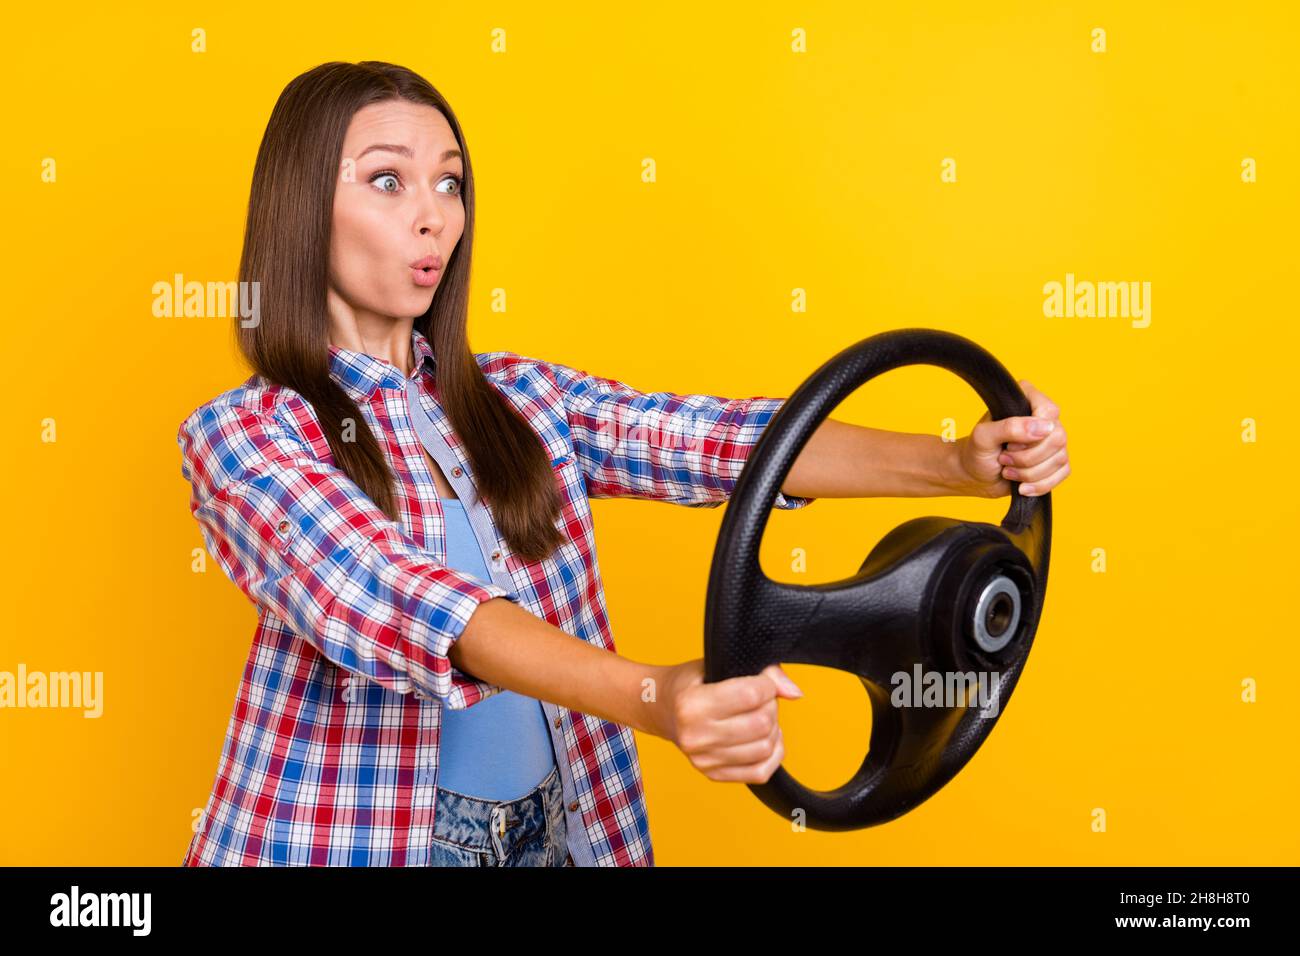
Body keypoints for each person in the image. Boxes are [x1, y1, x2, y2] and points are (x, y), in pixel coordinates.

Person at [176, 60, 1072, 867]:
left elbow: (726, 442)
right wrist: (656, 695)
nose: (433, 215)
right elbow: (401, 597)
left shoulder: (521, 399)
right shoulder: (244, 436)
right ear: (302, 206)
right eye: (387, 180)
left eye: (451, 183)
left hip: (558, 830)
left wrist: (956, 462)